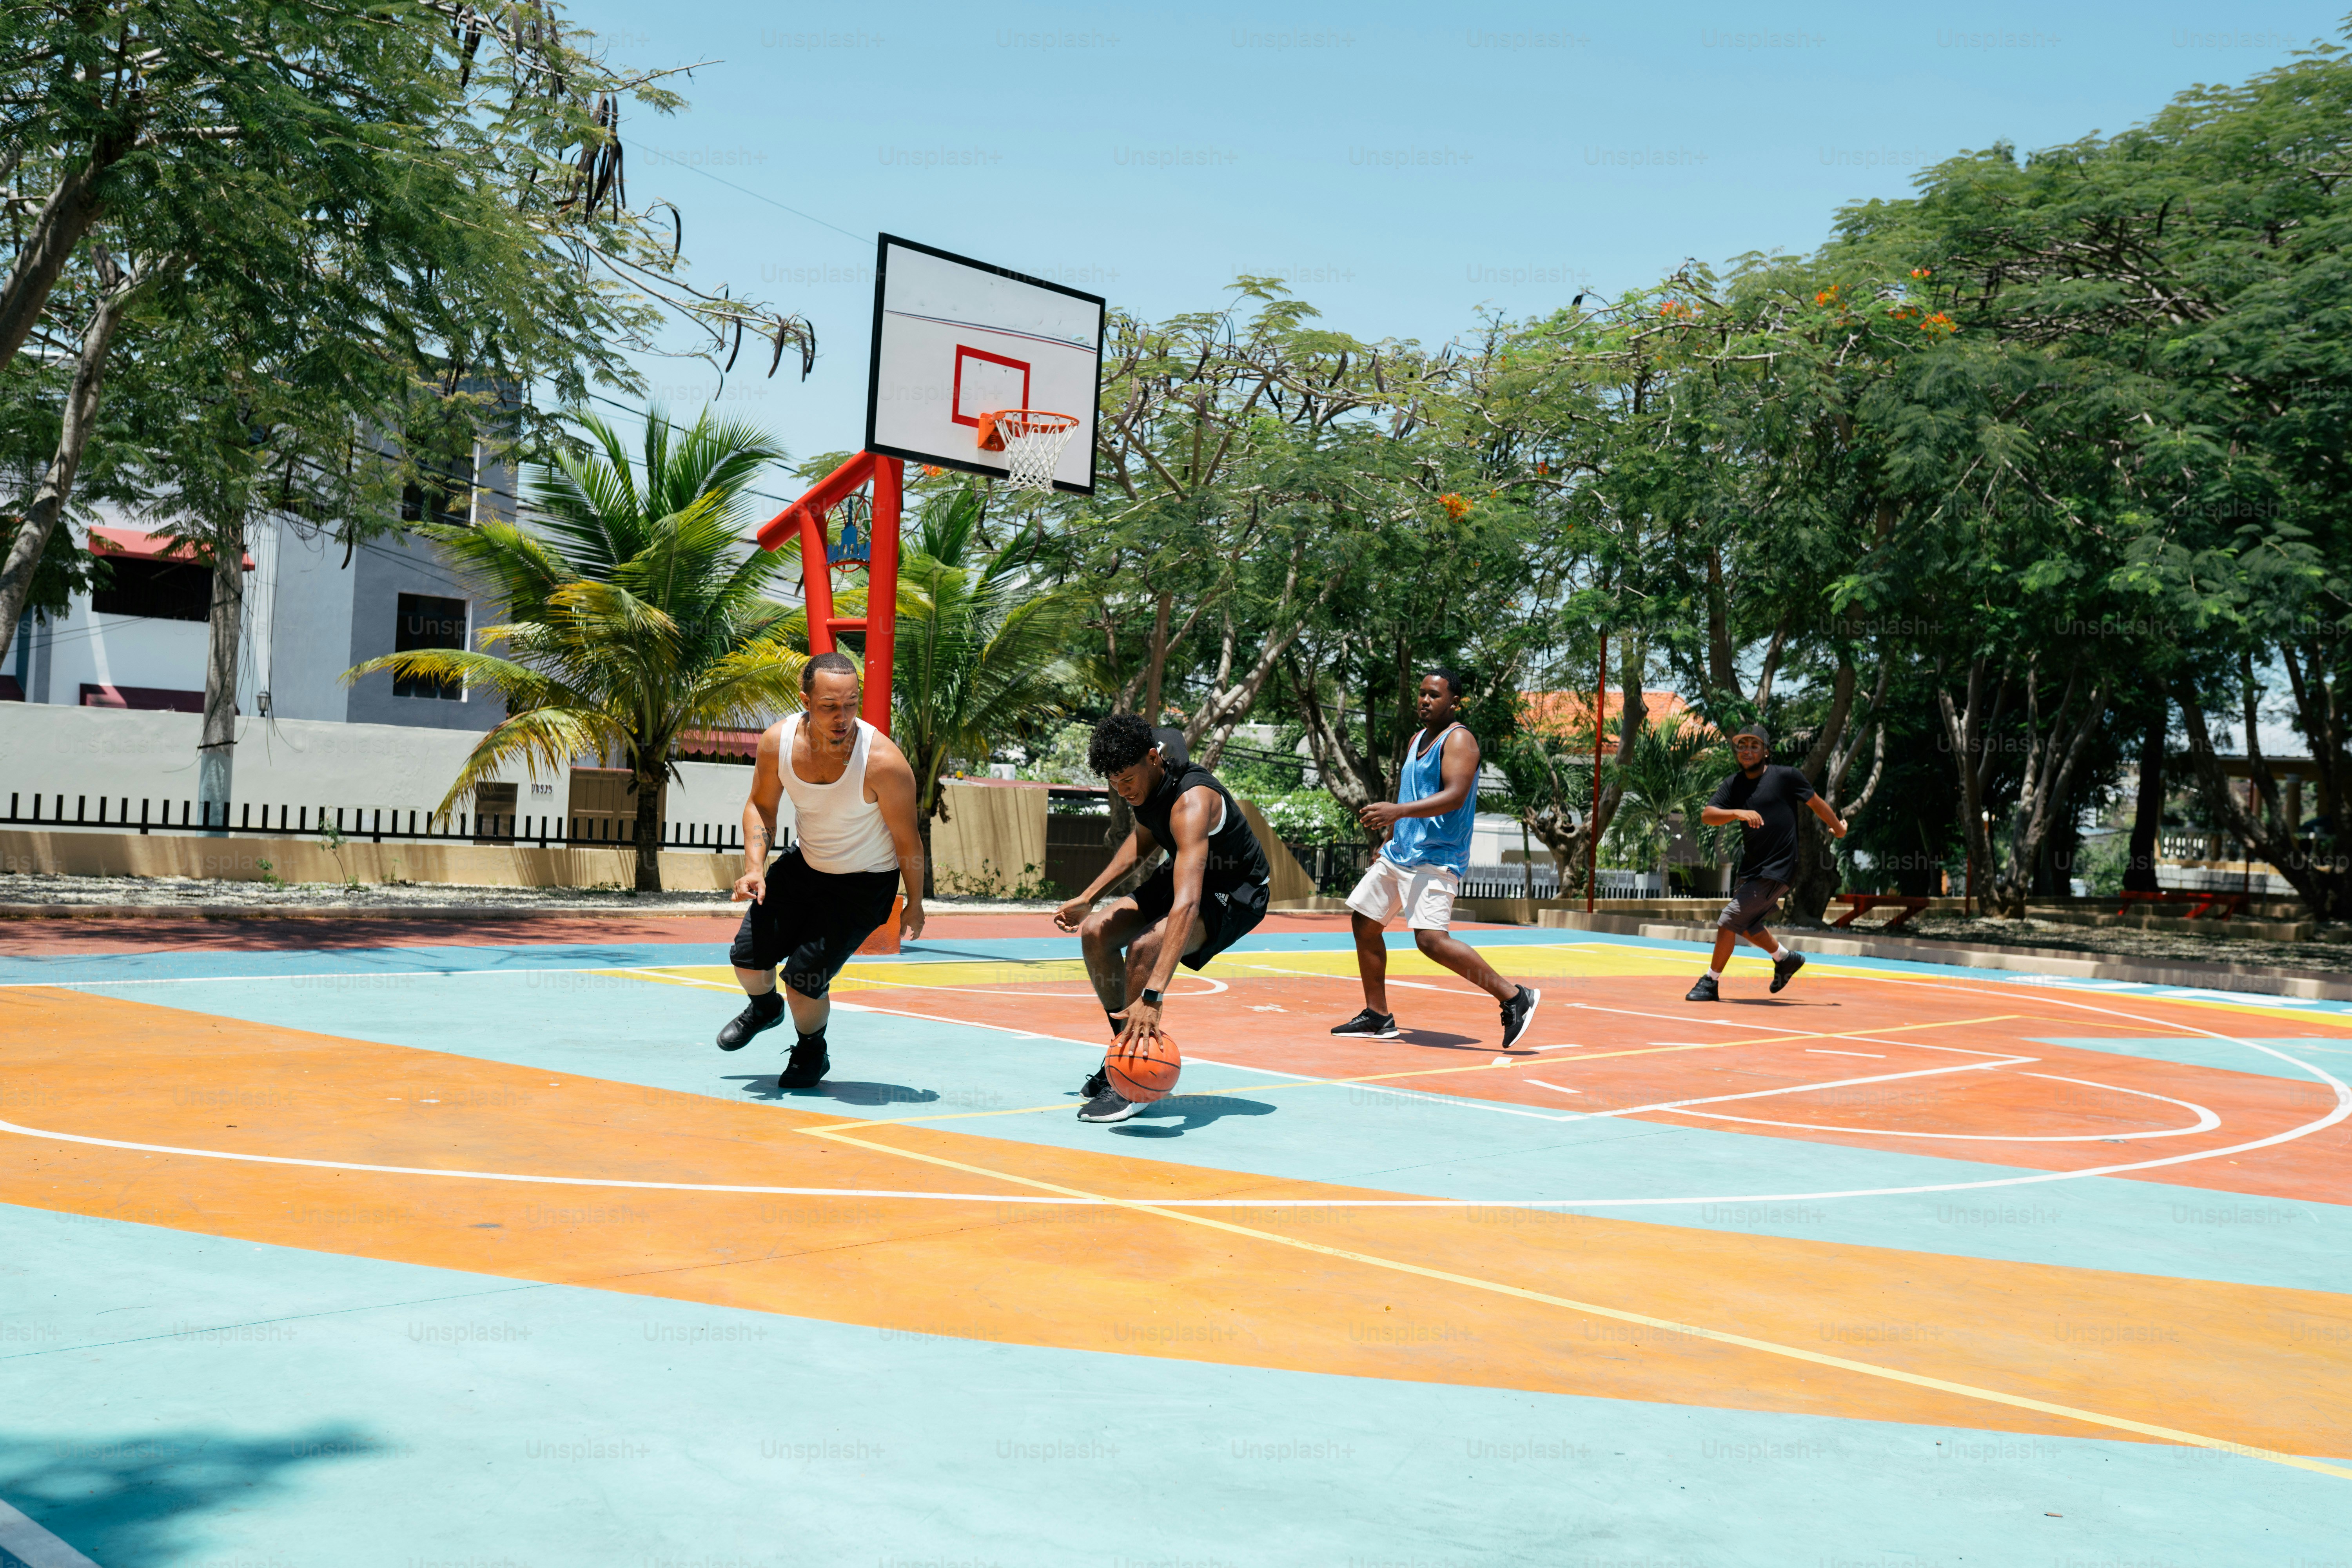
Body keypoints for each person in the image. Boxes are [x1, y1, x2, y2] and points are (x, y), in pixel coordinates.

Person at [718, 652, 927, 1087]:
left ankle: (812, 1049)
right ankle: (764, 1009)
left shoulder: (883, 761)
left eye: (852, 704)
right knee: (747, 958)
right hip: (807, 864)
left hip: (864, 883)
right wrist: (754, 867)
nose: (843, 716)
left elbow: (908, 839)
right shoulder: (778, 742)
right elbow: (761, 806)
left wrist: (915, 903)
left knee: (803, 979)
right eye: (830, 706)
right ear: (806, 701)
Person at [1053, 715, 1272, 1124]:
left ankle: (1131, 1087)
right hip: (1187, 874)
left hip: (1235, 890)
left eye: (1128, 780)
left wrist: (1153, 995)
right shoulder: (1146, 777)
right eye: (1114, 783)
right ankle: (1124, 1058)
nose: (1123, 790)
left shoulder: (1191, 803)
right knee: (1096, 931)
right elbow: (1141, 842)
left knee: (1145, 949)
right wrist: (1088, 897)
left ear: (1154, 759)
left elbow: (1187, 906)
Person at [1329, 670, 1540, 1048]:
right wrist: (1393, 834)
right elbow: (1413, 790)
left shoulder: (1460, 740)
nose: (1425, 701)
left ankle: (1514, 996)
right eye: (1422, 694)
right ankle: (1378, 1016)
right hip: (1401, 853)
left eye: (1434, 695)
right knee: (1364, 922)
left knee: (1430, 940)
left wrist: (1397, 812)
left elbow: (1455, 795)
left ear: (1454, 702)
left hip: (1437, 857)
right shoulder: (1417, 740)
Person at [1686, 724, 1845, 1002]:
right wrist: (1737, 812)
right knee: (1746, 923)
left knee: (1728, 921)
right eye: (1742, 745)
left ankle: (1710, 982)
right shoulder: (1733, 785)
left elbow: (1817, 804)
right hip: (1752, 868)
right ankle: (1784, 959)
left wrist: (1839, 829)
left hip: (1780, 867)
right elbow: (1708, 815)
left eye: (1754, 745)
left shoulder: (1786, 777)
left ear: (1766, 751)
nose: (1747, 750)